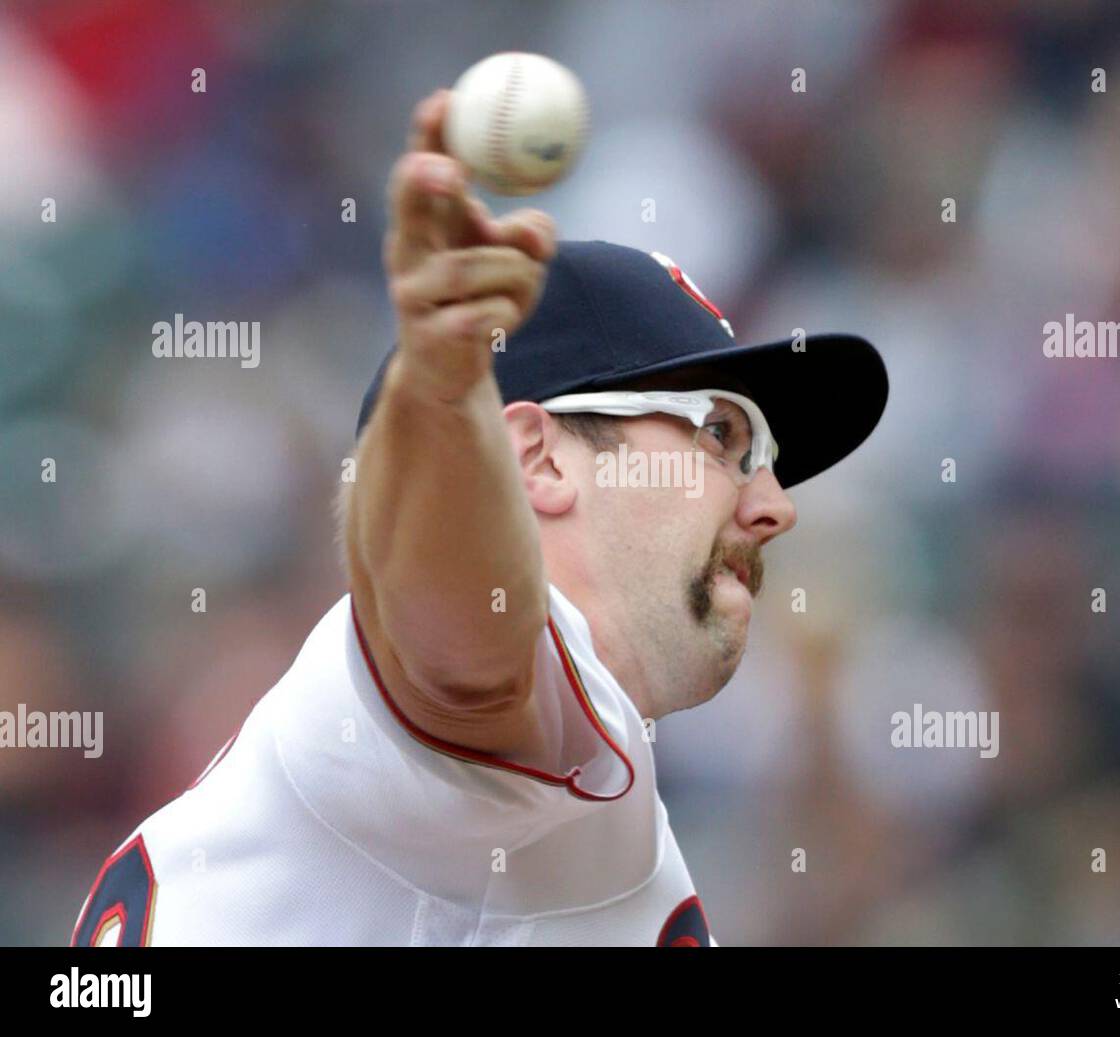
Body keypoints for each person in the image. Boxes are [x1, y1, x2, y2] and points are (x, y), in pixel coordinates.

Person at [71, 88, 888, 947]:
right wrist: (438, 396)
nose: (775, 505)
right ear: (534, 457)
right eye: (724, 433)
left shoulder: (591, 787)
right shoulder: (441, 729)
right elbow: (458, 632)